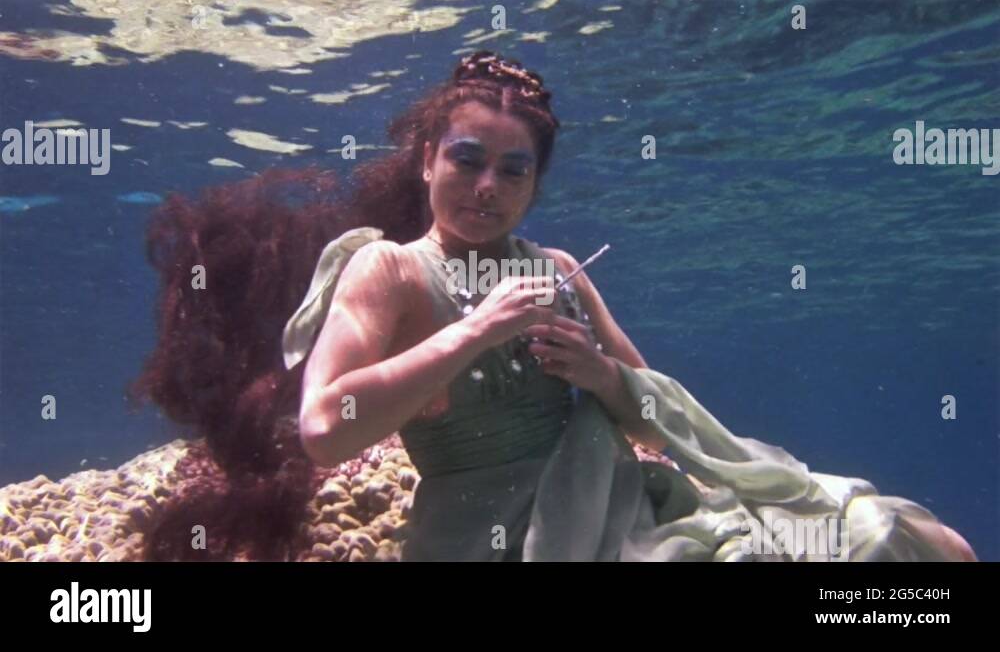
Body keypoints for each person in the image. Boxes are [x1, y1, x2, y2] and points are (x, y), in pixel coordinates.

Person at [284, 51, 977, 562]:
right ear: (428, 159)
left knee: (908, 541)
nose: (487, 186)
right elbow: (323, 427)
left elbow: (651, 424)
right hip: (495, 542)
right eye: (468, 159)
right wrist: (475, 330)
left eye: (513, 169)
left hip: (630, 513)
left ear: (535, 185)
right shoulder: (390, 268)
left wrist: (602, 375)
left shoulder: (557, 272)